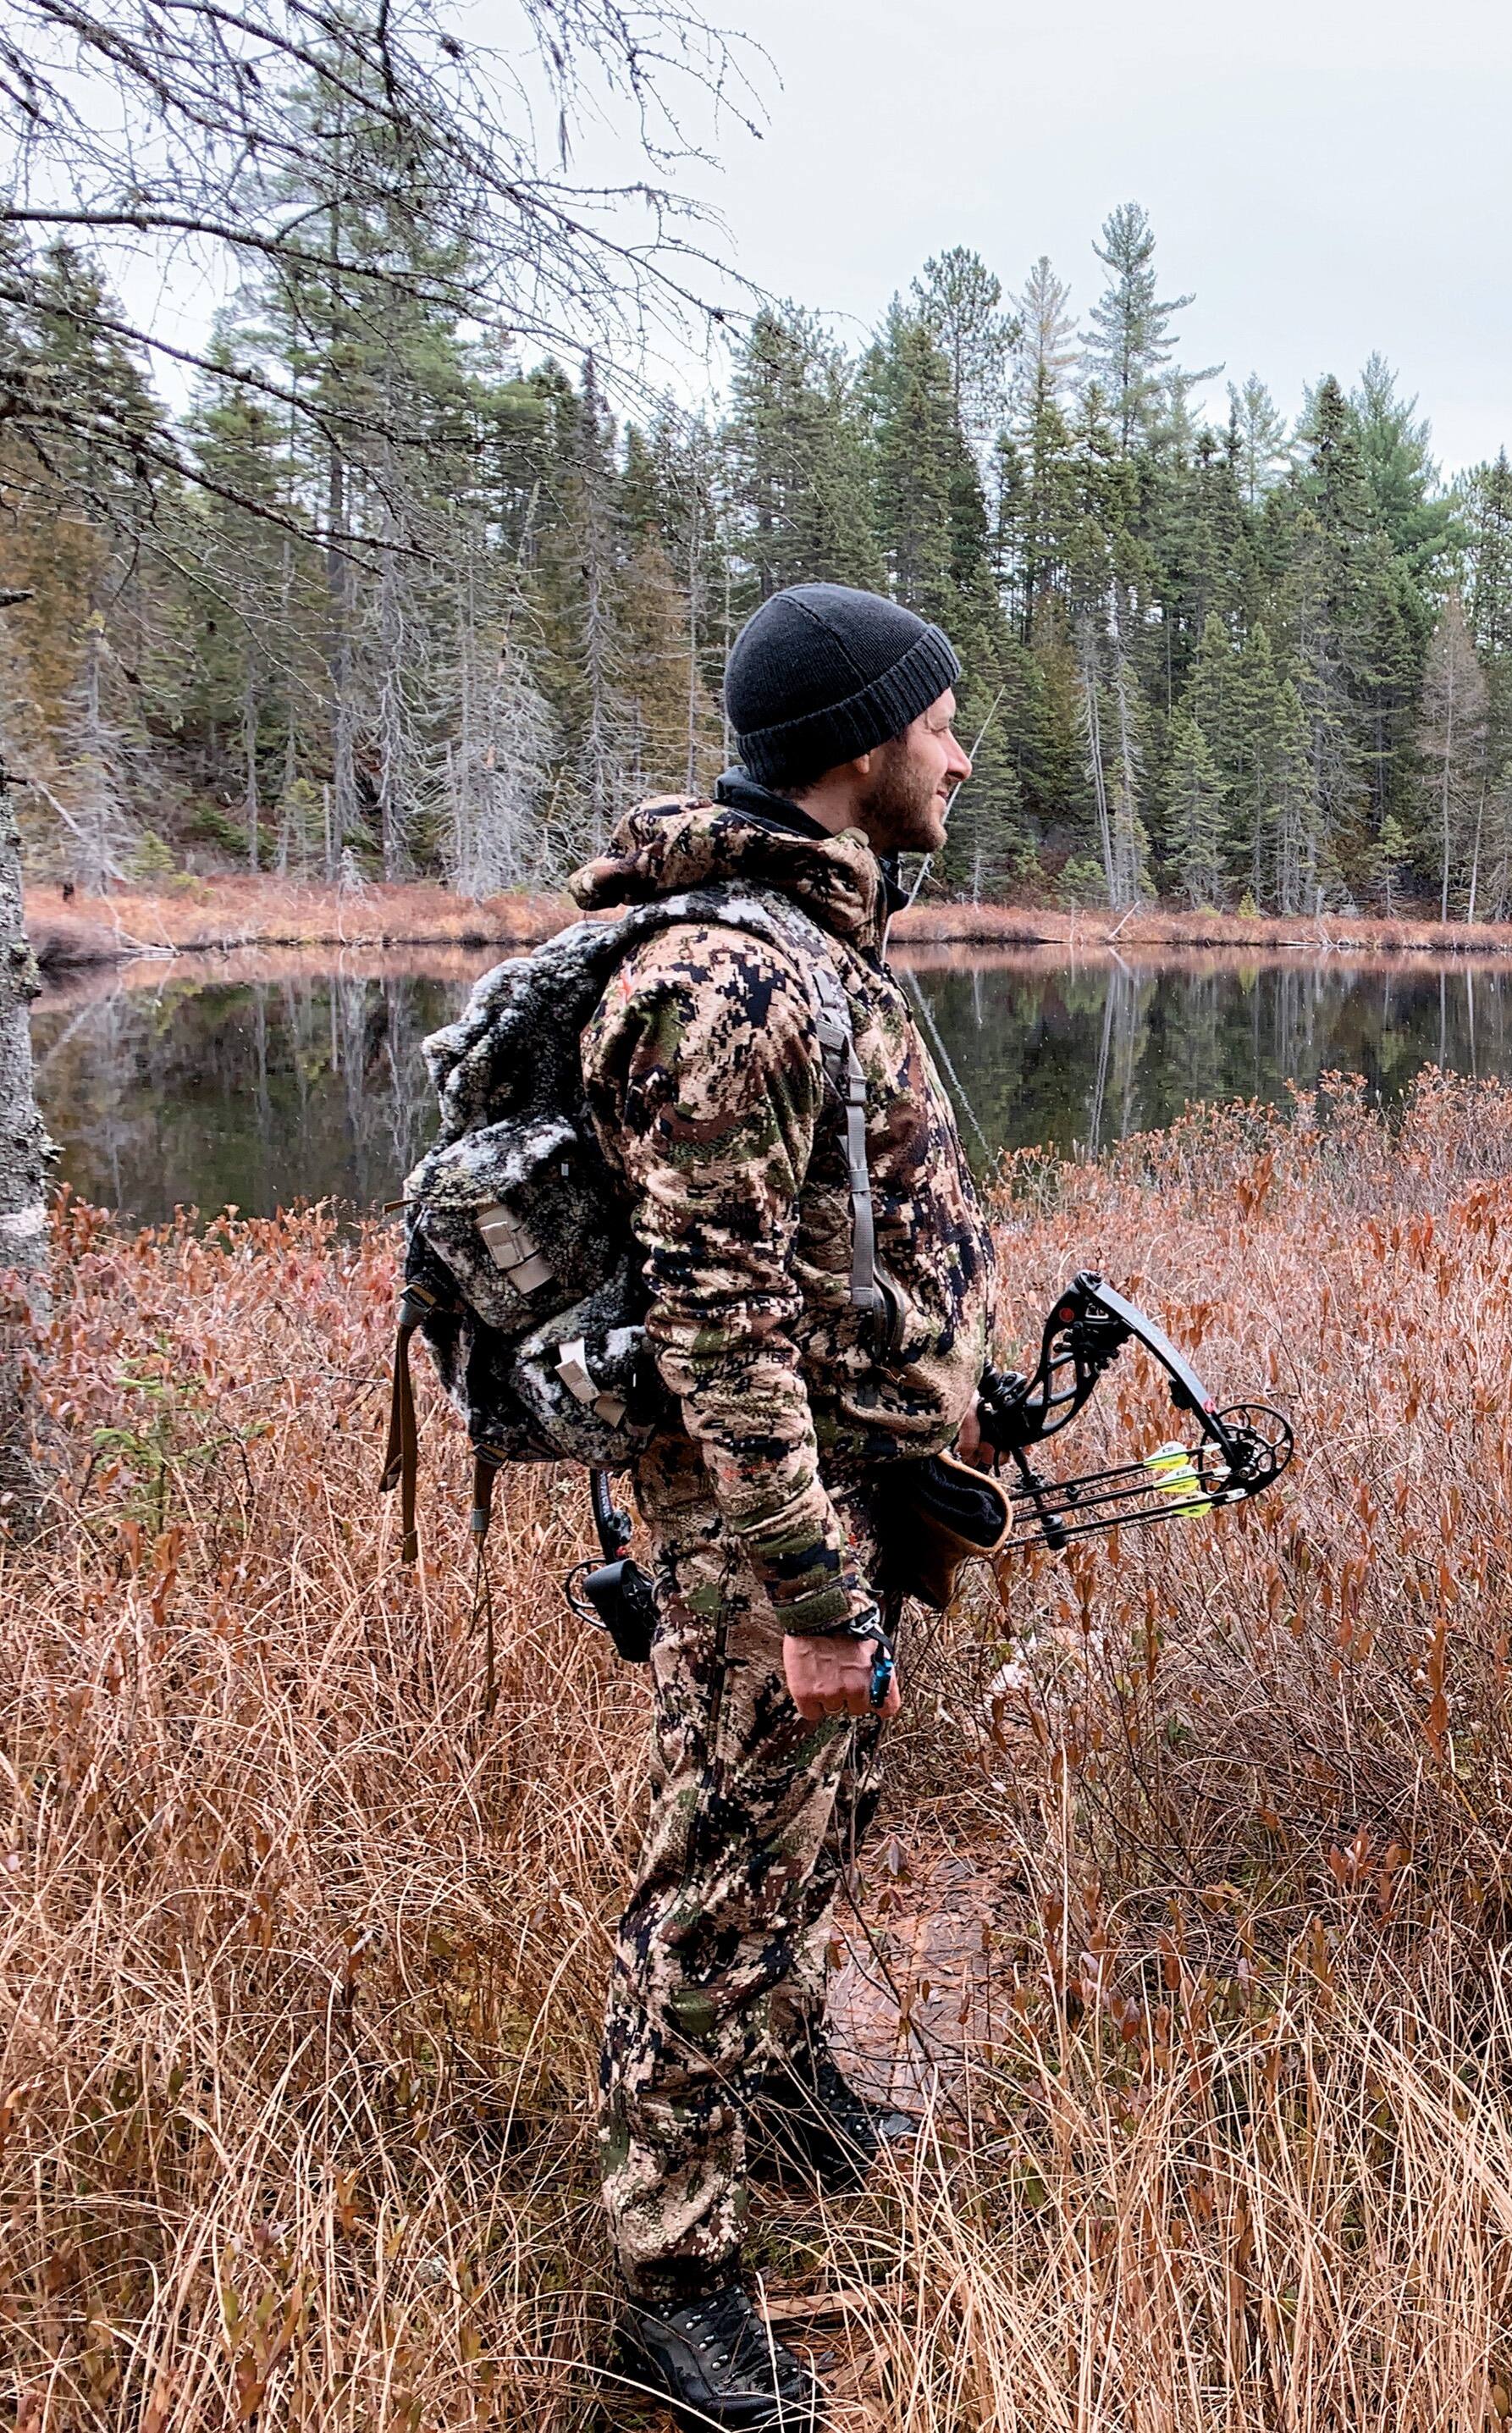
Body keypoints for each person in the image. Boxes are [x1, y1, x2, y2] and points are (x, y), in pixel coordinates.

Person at [571, 582, 996, 2429]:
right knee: (716, 1886)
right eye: (940, 722)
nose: (961, 754)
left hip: (849, 1498)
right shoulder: (725, 978)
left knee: (808, 1830)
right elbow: (717, 1321)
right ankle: (673, 2291)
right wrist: (811, 1593)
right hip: (773, 1533)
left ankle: (774, 2090)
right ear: (856, 746)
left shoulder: (826, 939)